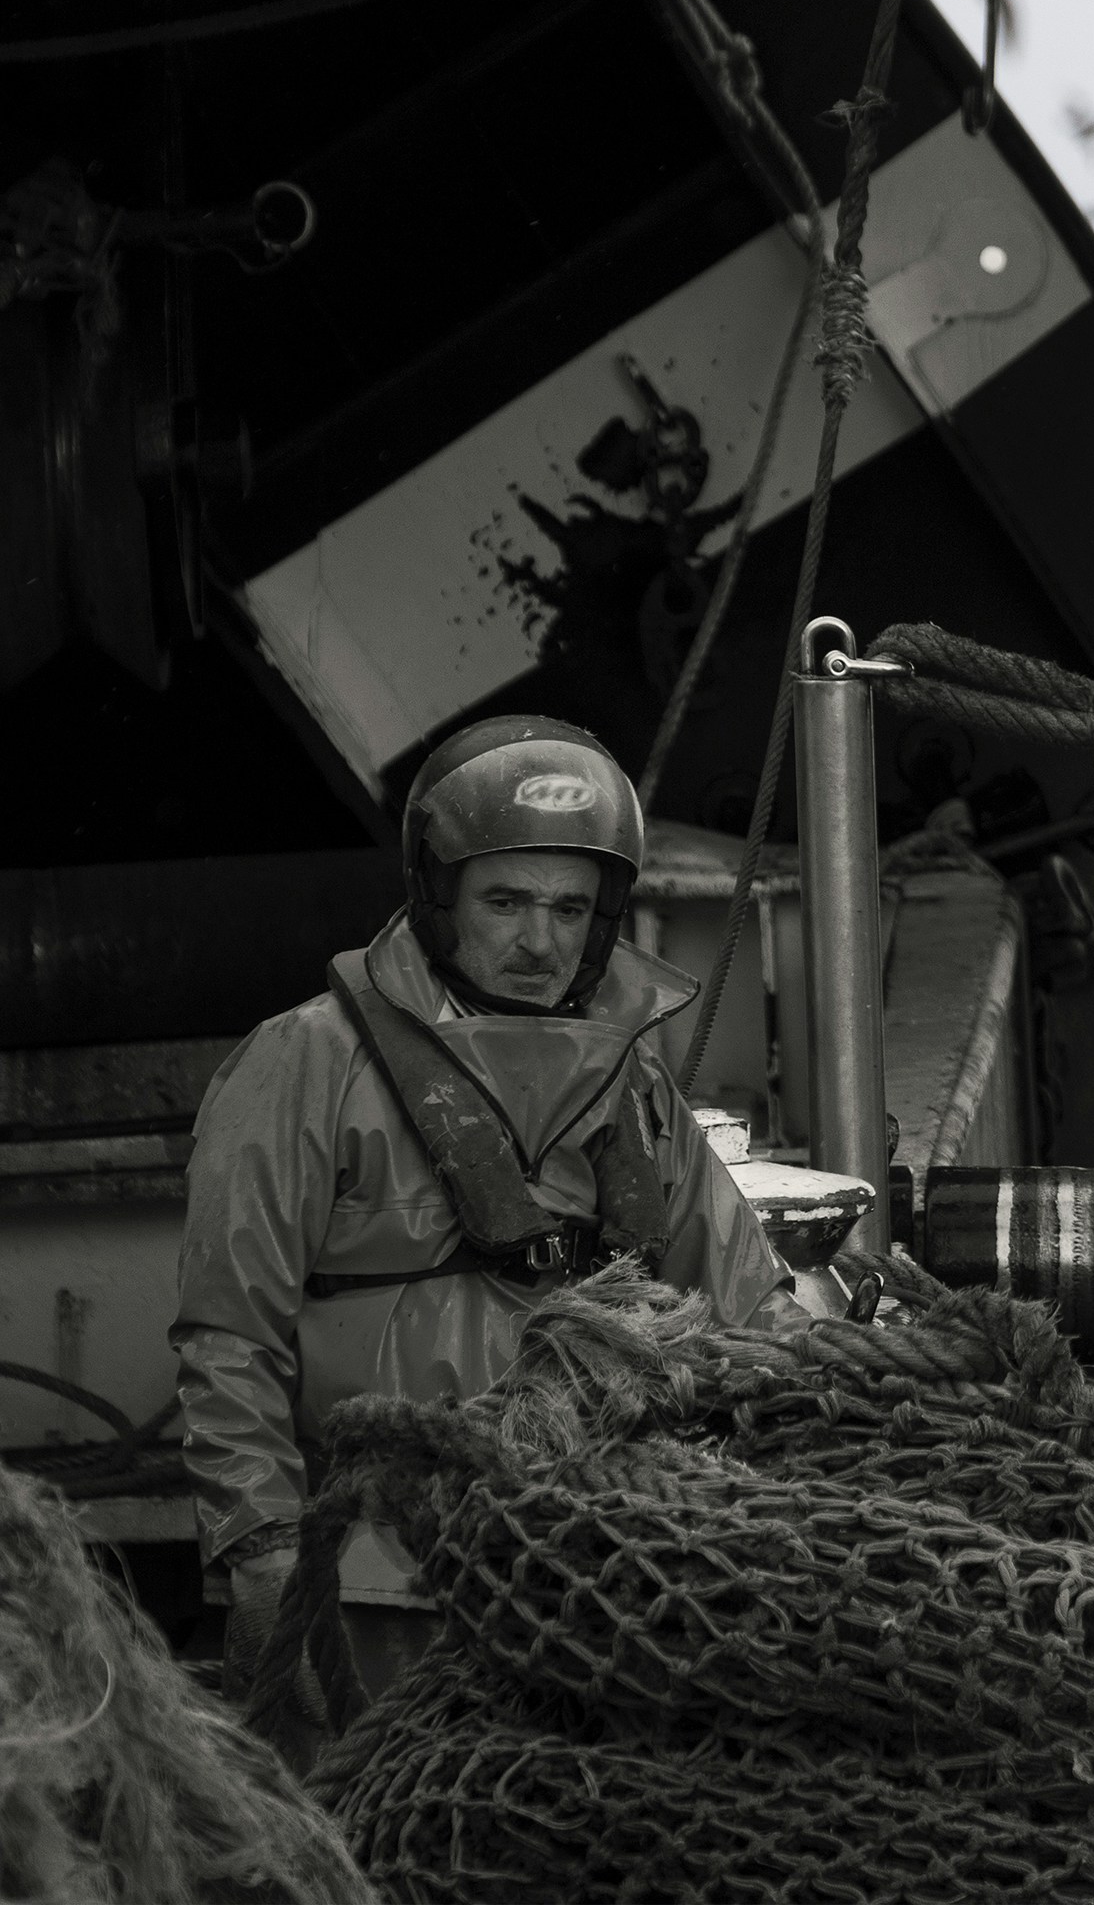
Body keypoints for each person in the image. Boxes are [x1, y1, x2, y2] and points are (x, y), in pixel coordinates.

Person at [174, 715, 799, 1705]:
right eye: (505, 900)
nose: (539, 940)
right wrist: (259, 1550)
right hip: (378, 1585)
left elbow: (754, 1311)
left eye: (569, 907)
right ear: (438, 892)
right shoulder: (304, 1061)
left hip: (599, 1573)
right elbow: (229, 1335)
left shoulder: (633, 1088)